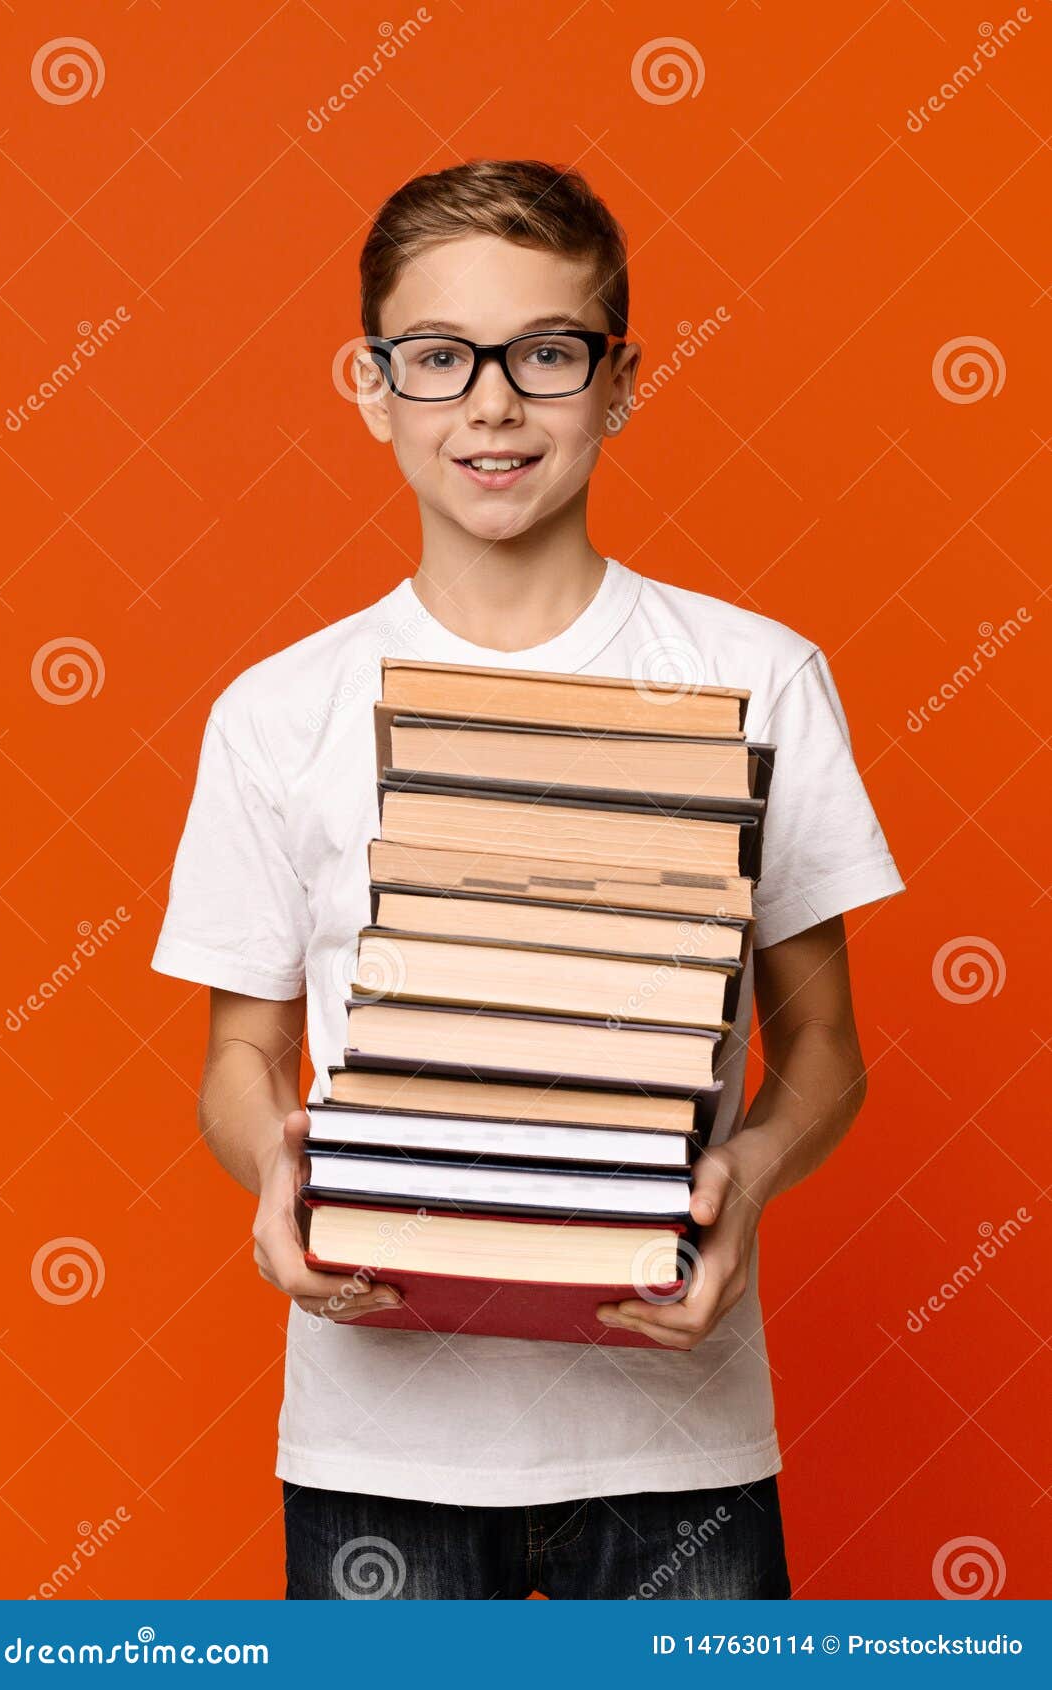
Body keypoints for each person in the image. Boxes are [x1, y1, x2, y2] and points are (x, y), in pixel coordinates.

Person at [151, 158, 905, 1600]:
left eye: (545, 354)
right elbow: (241, 1054)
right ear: (370, 385)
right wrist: (272, 1167)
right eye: (439, 359)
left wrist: (744, 1175)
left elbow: (827, 1051)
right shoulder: (278, 712)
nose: (491, 405)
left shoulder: (755, 678)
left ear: (617, 382)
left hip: (675, 1444)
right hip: (380, 1445)